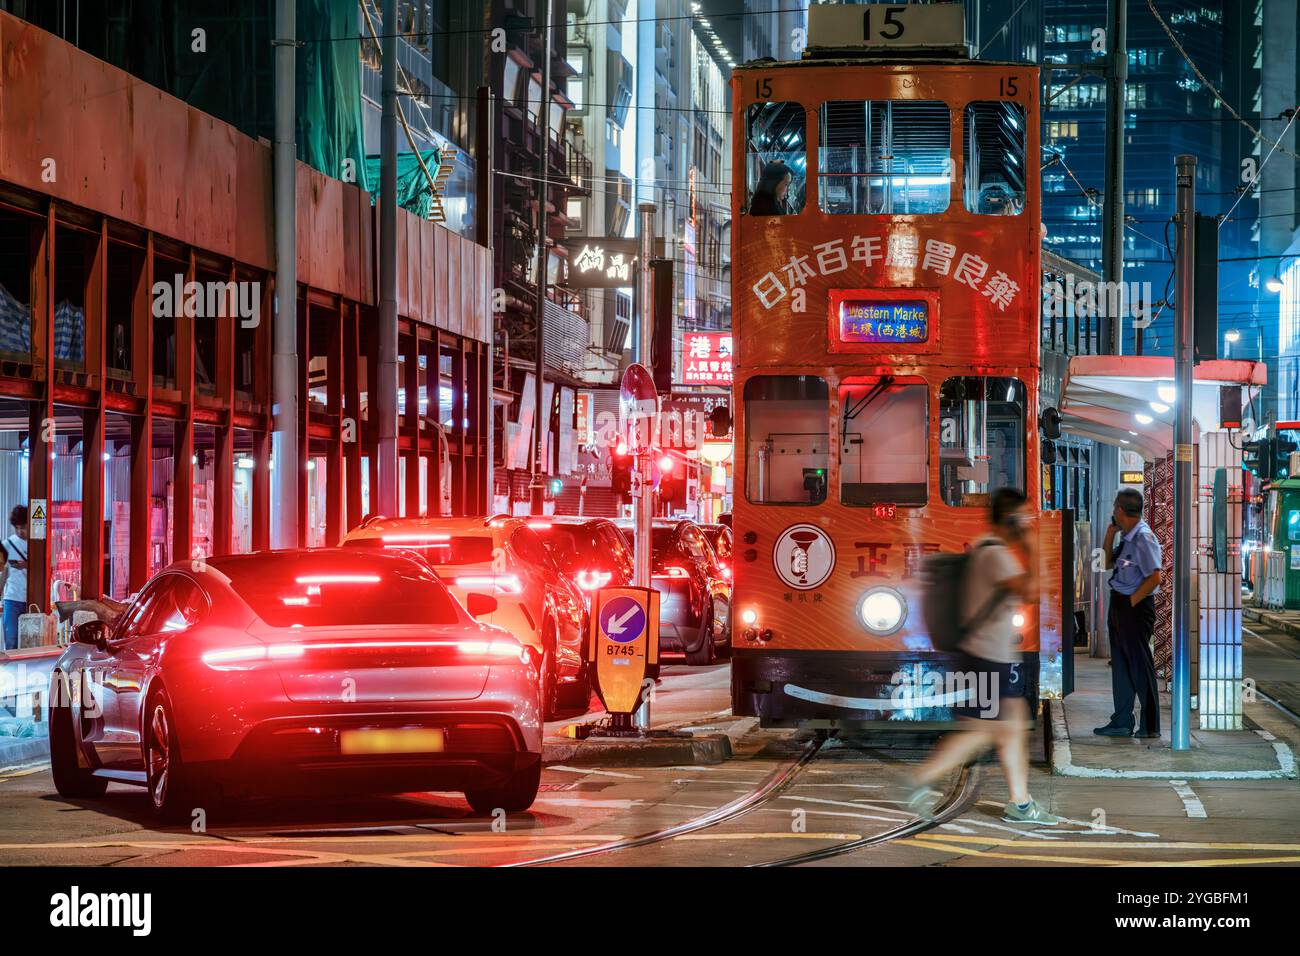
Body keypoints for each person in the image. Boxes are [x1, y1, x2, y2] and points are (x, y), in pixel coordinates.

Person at [907, 488, 1059, 825]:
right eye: (1025, 517)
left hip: (992, 657)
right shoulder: (995, 555)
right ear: (1011, 520)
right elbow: (1032, 591)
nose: (1030, 523)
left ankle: (1020, 803)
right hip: (985, 659)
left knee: (1013, 726)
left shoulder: (992, 551)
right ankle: (919, 780)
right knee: (983, 732)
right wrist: (1033, 546)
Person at [1094, 489, 1163, 739]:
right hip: (1120, 604)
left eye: (1115, 508)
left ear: (1120, 510)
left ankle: (1150, 725)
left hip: (1134, 607)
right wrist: (1109, 534)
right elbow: (1105, 564)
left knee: (1139, 666)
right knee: (1122, 666)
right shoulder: (1127, 536)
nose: (1114, 512)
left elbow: (1155, 577)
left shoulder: (1143, 537)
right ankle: (1122, 721)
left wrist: (1131, 602)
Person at [0, 505, 29, 651]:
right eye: (17, 528)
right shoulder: (7, 544)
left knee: (31, 643)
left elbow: (49, 568)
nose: (20, 531)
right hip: (12, 599)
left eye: (23, 527)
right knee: (10, 642)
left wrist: (27, 565)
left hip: (33, 600)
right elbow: (3, 573)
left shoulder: (41, 543)